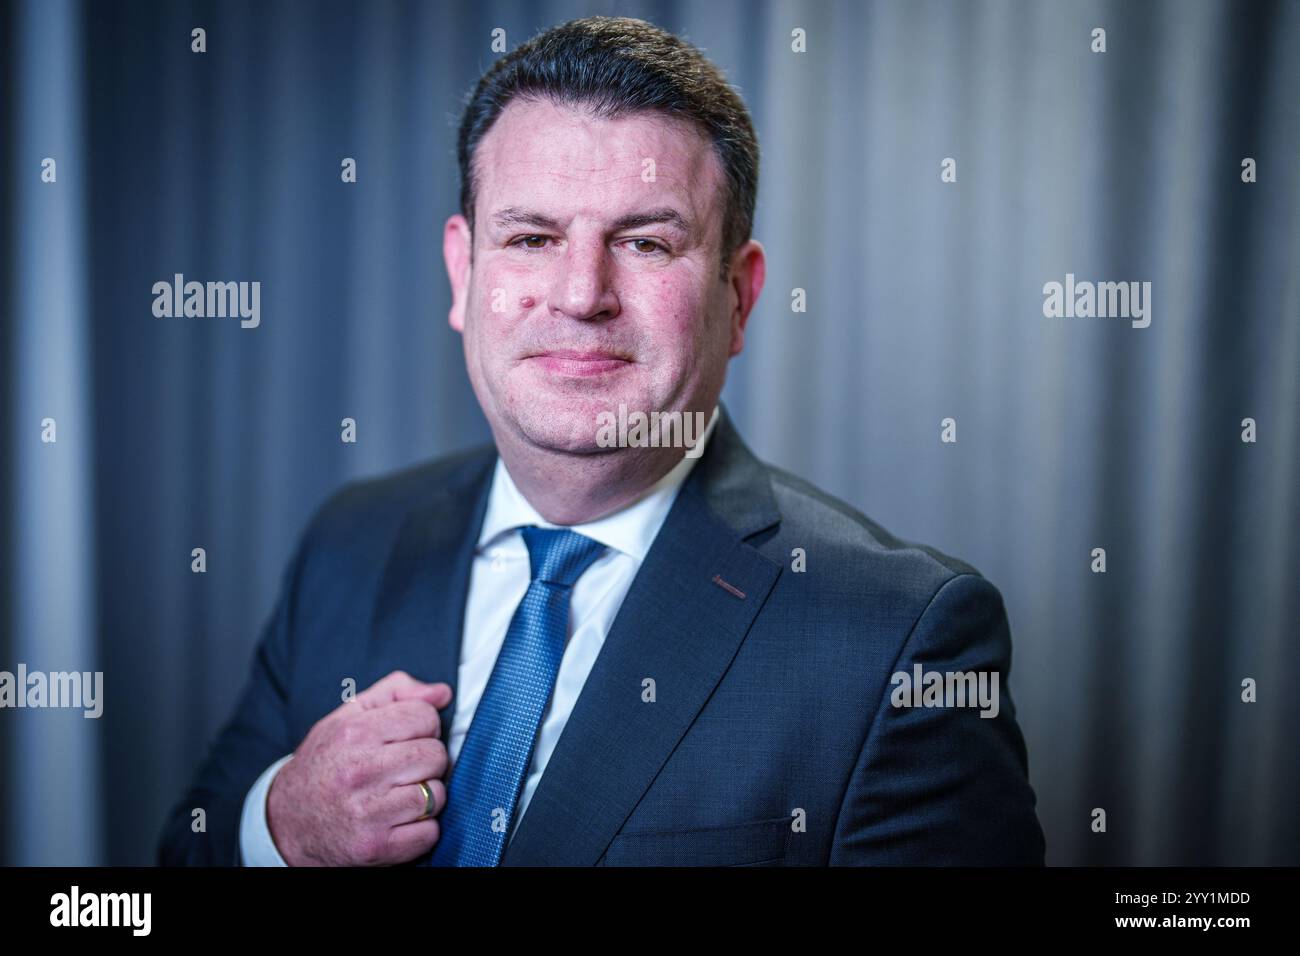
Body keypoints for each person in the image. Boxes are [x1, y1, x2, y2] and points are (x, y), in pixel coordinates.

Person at [158, 15, 1045, 867]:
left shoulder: (898, 639)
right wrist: (280, 826)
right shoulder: (350, 545)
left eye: (648, 243)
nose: (582, 294)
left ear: (739, 296)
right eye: (533, 237)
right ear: (463, 273)